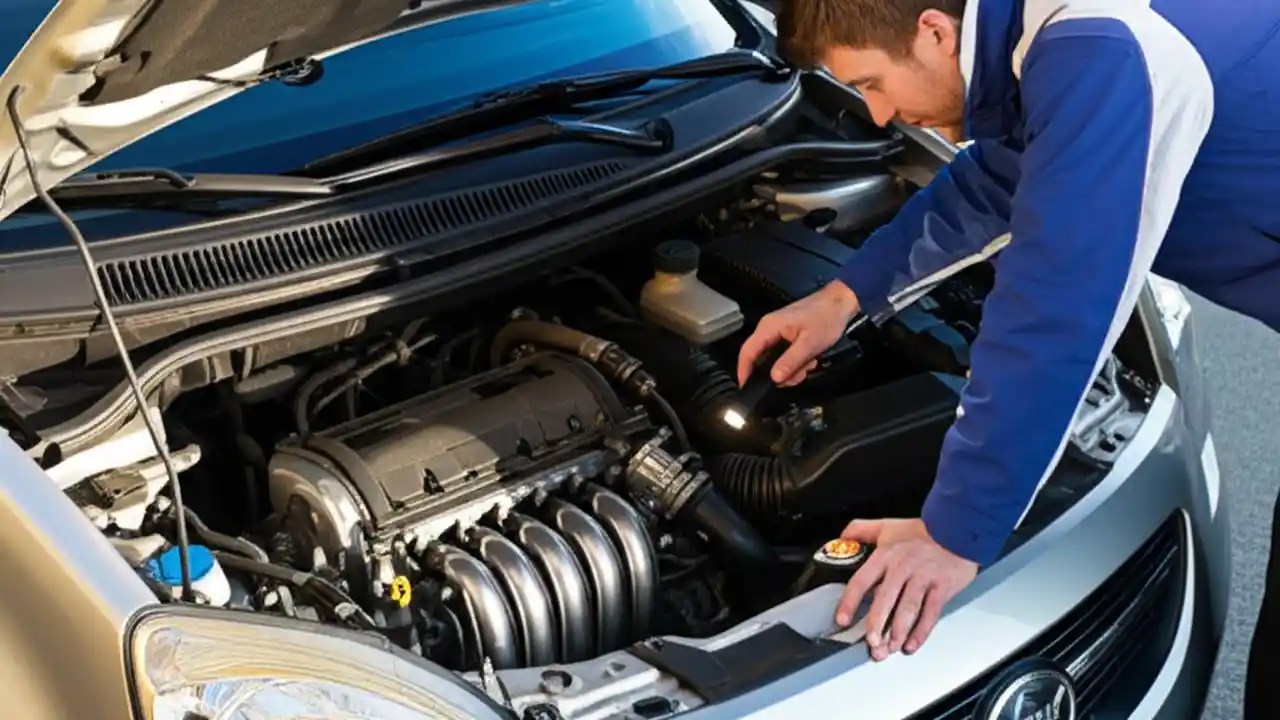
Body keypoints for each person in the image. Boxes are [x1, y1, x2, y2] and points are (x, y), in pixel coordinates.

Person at [740, 0, 1280, 709]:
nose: (878, 117)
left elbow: (1057, 302)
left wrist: (953, 532)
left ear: (933, 32)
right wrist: (843, 298)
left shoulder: (1100, 51)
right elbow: (1000, 180)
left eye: (872, 84)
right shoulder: (1041, 33)